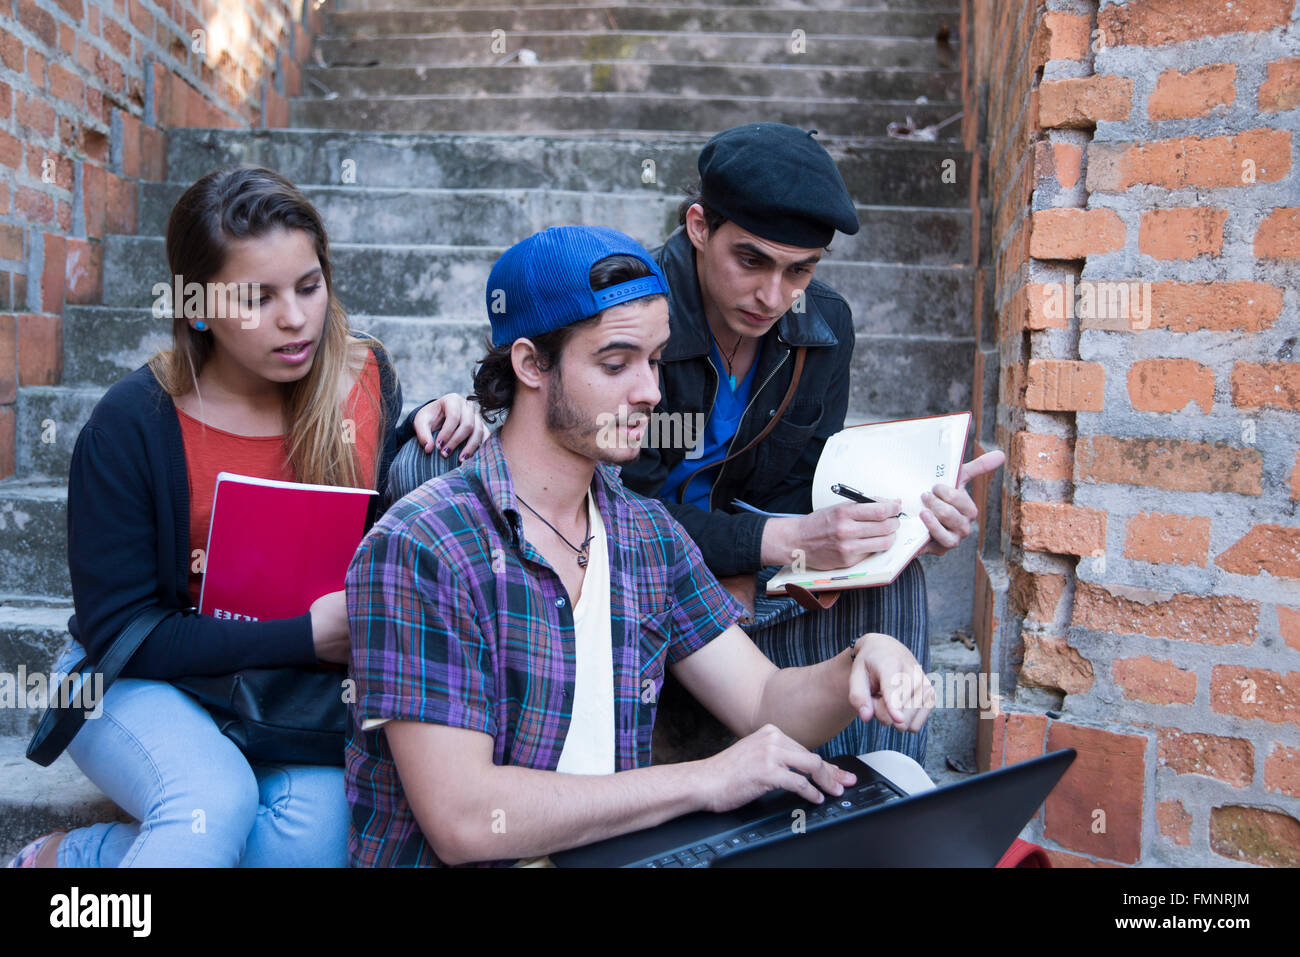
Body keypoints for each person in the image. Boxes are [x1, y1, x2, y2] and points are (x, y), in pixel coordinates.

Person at [344, 225, 934, 867]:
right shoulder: (424, 545)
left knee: (900, 803)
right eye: (615, 363)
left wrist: (860, 661)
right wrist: (704, 779)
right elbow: (464, 819)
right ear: (531, 363)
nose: (651, 391)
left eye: (654, 360)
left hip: (616, 858)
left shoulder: (646, 535)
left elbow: (765, 701)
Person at [7, 165, 489, 868]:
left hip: (283, 690)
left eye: (307, 285)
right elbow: (122, 633)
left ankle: (83, 861)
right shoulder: (129, 426)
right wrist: (305, 634)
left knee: (317, 835)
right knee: (214, 798)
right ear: (198, 307)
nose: (295, 318)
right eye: (256, 297)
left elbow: (375, 506)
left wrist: (432, 425)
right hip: (133, 680)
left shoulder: (363, 378)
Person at [616, 123, 1006, 764]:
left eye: (799, 270)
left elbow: (804, 487)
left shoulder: (820, 328)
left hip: (754, 568)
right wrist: (772, 544)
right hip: (641, 572)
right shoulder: (634, 316)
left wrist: (908, 517)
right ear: (697, 226)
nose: (773, 296)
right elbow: (614, 506)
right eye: (751, 260)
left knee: (892, 580)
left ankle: (880, 792)